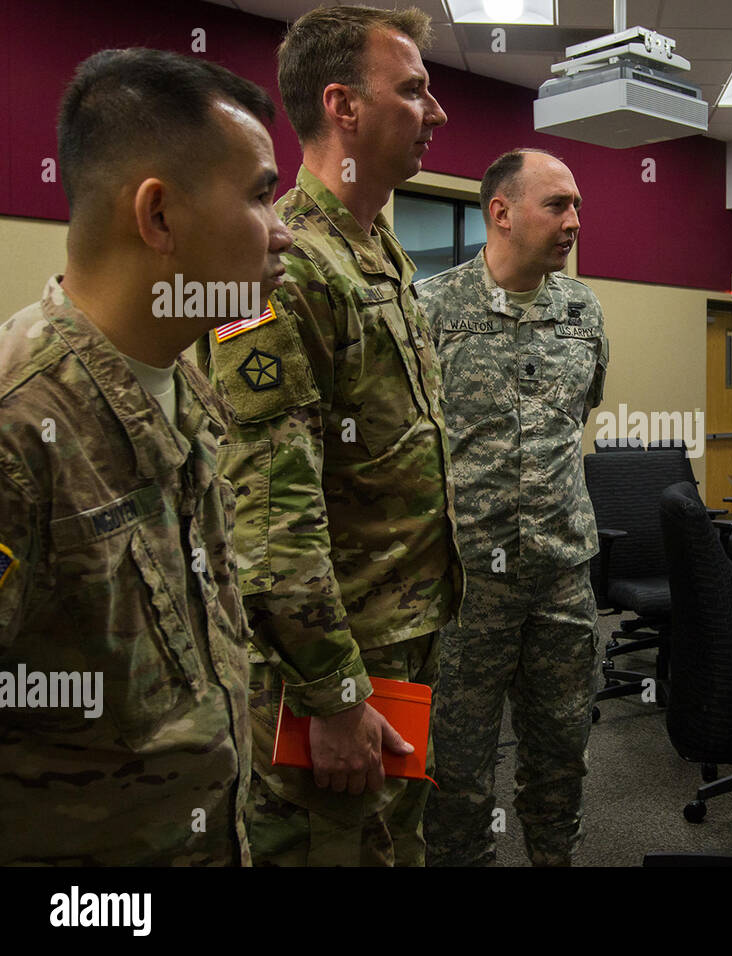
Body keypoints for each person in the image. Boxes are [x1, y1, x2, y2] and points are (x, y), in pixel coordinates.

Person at [0, 48, 291, 864]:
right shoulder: (21, 431)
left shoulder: (188, 390)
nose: (283, 232)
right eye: (262, 195)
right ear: (158, 217)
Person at [199, 5, 462, 866]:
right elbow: (273, 524)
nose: (437, 113)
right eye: (415, 89)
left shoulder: (378, 251)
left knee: (395, 845)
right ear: (343, 106)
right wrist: (336, 696)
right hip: (330, 674)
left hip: (397, 645)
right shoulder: (285, 267)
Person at [415, 148, 608, 866]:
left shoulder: (583, 309)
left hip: (562, 576)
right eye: (557, 205)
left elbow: (577, 415)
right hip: (467, 585)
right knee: (457, 771)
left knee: (562, 756)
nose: (574, 222)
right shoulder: (432, 310)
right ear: (500, 211)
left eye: (577, 207)